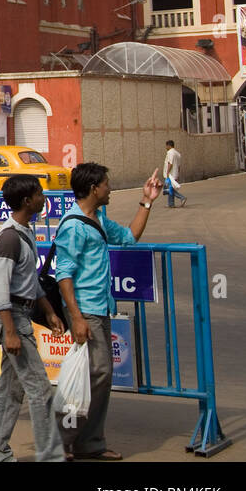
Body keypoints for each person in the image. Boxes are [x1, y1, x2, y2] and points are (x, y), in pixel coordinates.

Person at [55, 162, 162, 461]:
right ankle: (66, 440)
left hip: (99, 308)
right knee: (93, 375)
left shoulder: (97, 219)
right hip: (84, 310)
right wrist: (75, 317)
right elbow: (63, 274)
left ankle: (86, 443)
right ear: (93, 188)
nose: (110, 188)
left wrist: (147, 200)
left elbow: (129, 237)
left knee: (97, 375)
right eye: (106, 183)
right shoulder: (74, 225)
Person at [0, 175, 67, 462]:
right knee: (41, 390)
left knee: (11, 391)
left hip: (20, 314)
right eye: (40, 194)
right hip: (11, 318)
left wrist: (49, 311)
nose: (44, 198)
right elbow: (2, 289)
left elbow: (31, 280)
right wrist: (10, 332)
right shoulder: (9, 238)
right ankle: (51, 454)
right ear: (27, 200)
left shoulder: (25, 232)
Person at [163, 140, 187, 208]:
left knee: (170, 189)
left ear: (169, 145)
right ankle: (171, 203)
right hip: (175, 173)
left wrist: (167, 172)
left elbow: (170, 163)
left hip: (170, 174)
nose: (166, 147)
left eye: (166, 146)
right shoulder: (177, 154)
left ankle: (182, 197)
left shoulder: (170, 153)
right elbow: (179, 166)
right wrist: (178, 174)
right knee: (170, 188)